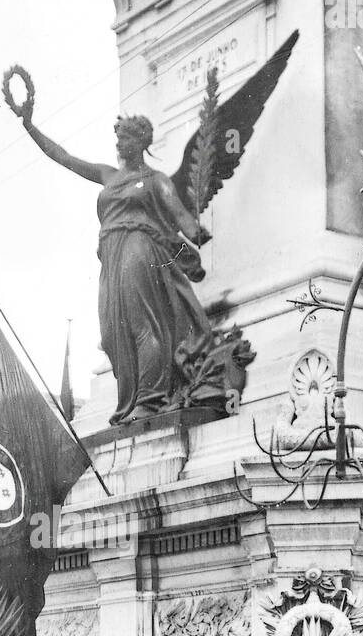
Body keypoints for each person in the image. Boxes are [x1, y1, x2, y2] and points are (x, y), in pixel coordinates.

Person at [11, 104, 216, 425]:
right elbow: (64, 158)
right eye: (118, 139)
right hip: (111, 256)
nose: (119, 145)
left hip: (139, 249)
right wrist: (29, 125)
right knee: (110, 334)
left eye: (125, 139)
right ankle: (137, 395)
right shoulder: (109, 175)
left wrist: (195, 231)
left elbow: (180, 215)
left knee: (140, 323)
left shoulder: (156, 180)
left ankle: (149, 398)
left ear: (142, 142)